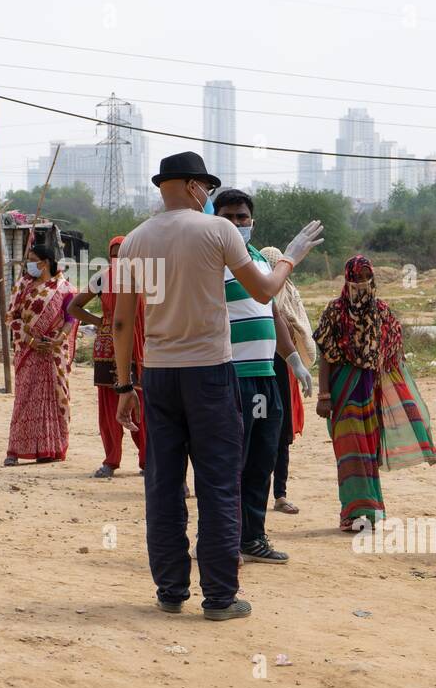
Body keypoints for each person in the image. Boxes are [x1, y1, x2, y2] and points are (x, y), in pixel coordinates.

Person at [113, 151, 322, 620]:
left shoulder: (134, 243)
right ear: (191, 186)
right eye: (206, 187)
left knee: (164, 486)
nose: (208, 195)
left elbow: (124, 321)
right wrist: (290, 256)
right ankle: (219, 597)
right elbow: (265, 291)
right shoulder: (217, 232)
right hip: (210, 371)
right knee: (218, 485)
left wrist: (126, 385)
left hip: (160, 374)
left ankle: (170, 591)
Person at [213, 189, 313, 564]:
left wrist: (292, 359)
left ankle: (251, 538)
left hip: (265, 376)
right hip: (232, 374)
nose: (237, 224)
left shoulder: (253, 258)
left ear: (252, 222)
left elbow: (272, 312)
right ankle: (221, 539)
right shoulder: (213, 259)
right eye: (229, 217)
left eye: (243, 218)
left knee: (261, 459)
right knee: (229, 461)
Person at [313, 255, 436, 530]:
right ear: (347, 280)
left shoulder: (382, 312)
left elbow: (392, 359)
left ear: (373, 279)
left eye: (365, 277)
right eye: (355, 278)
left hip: (370, 391)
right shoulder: (335, 311)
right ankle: (351, 513)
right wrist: (324, 396)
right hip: (342, 389)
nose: (360, 283)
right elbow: (325, 356)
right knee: (349, 450)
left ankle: (370, 512)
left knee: (368, 451)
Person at [70, 235, 146, 478]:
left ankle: (120, 461)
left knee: (122, 405)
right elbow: (73, 306)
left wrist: (102, 321)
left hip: (119, 345)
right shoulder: (135, 274)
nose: (117, 258)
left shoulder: (112, 275)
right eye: (116, 253)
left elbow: (73, 307)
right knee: (130, 404)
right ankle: (137, 461)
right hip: (128, 345)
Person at [4, 242, 77, 466]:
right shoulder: (23, 286)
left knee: (54, 399)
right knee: (25, 400)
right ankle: (15, 450)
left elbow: (71, 317)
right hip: (28, 351)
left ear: (44, 263)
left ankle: (49, 449)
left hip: (54, 351)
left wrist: (59, 339)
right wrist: (31, 341)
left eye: (32, 259)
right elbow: (12, 318)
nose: (28, 265)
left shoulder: (64, 288)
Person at [260, 245, 317, 515]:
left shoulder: (290, 294)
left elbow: (301, 329)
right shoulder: (256, 291)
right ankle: (257, 493)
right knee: (258, 433)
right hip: (258, 366)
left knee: (282, 433)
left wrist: (297, 363)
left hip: (284, 368)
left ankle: (280, 494)